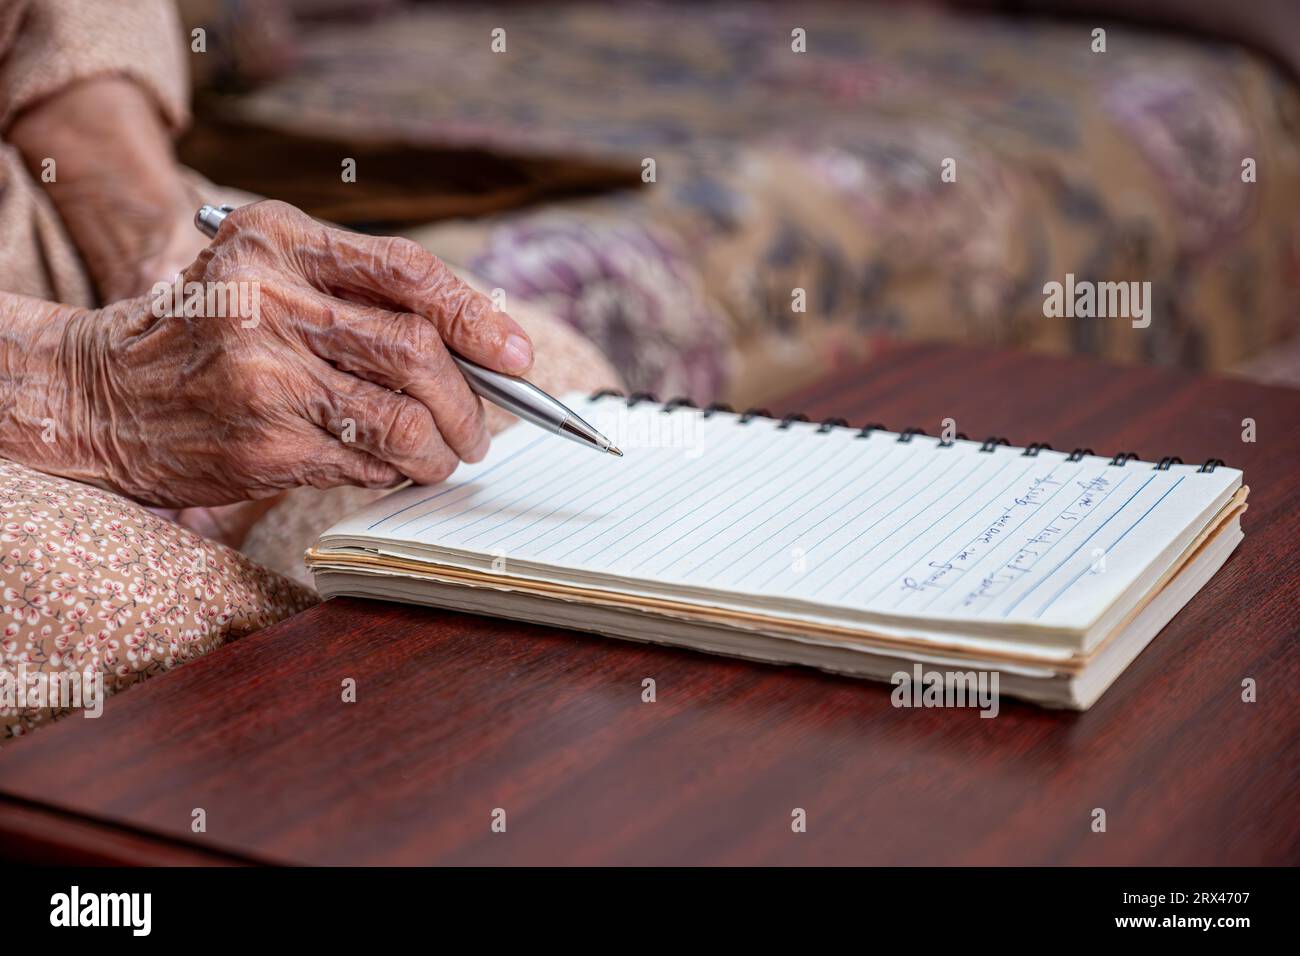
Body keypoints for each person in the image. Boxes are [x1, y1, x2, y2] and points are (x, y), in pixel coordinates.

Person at [0, 0, 619, 736]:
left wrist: (148, 233)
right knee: (97, 609)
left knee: (545, 381)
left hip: (38, 214)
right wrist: (86, 392)